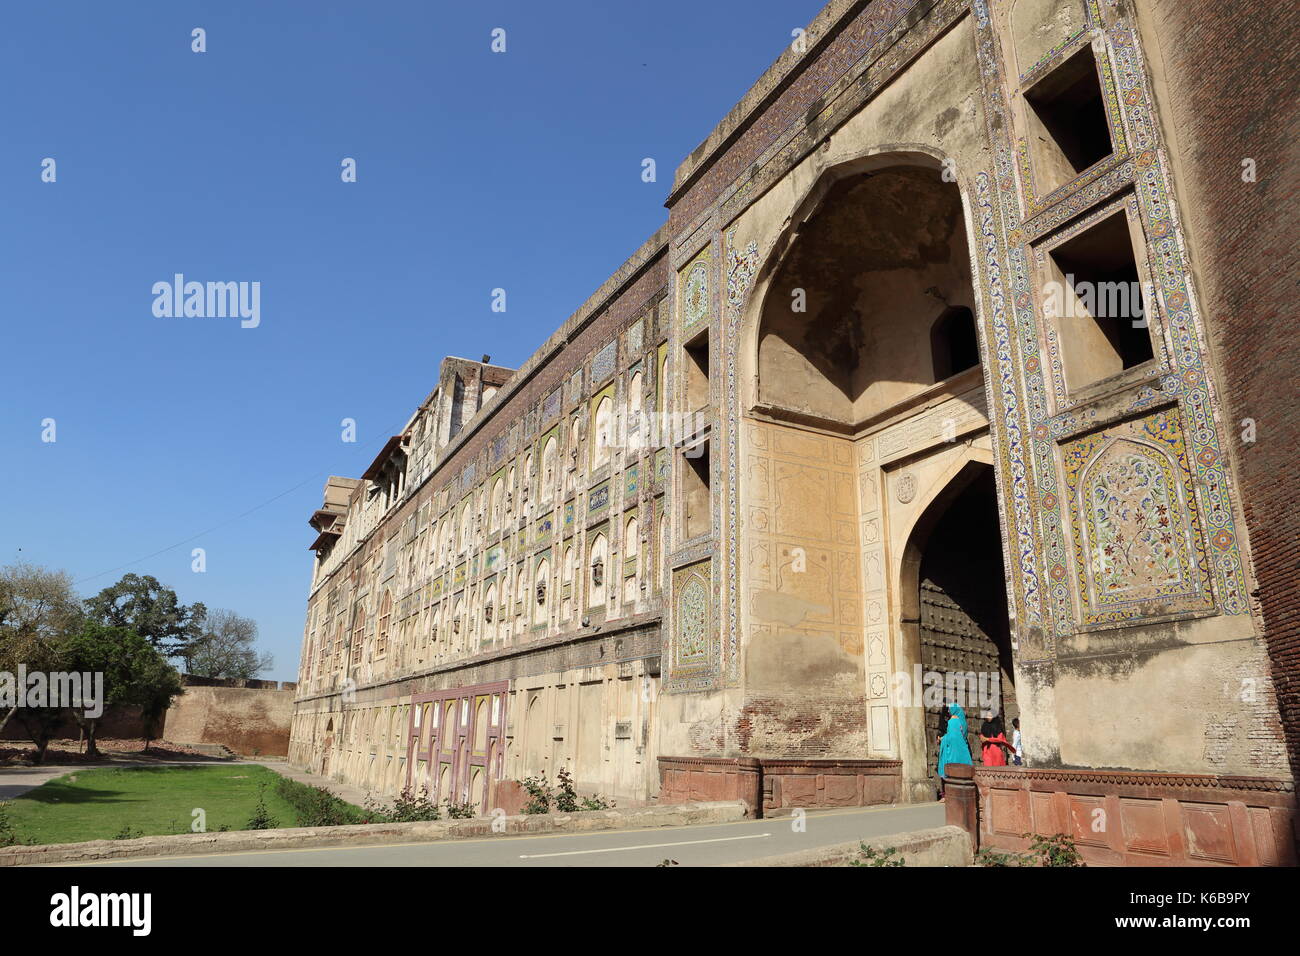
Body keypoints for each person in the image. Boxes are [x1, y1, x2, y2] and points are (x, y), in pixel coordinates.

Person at [936, 702, 973, 794]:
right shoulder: (962, 720)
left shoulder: (953, 721)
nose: (948, 711)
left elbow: (952, 737)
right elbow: (961, 735)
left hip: (954, 751)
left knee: (954, 772)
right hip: (963, 748)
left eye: (950, 709)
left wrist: (942, 739)